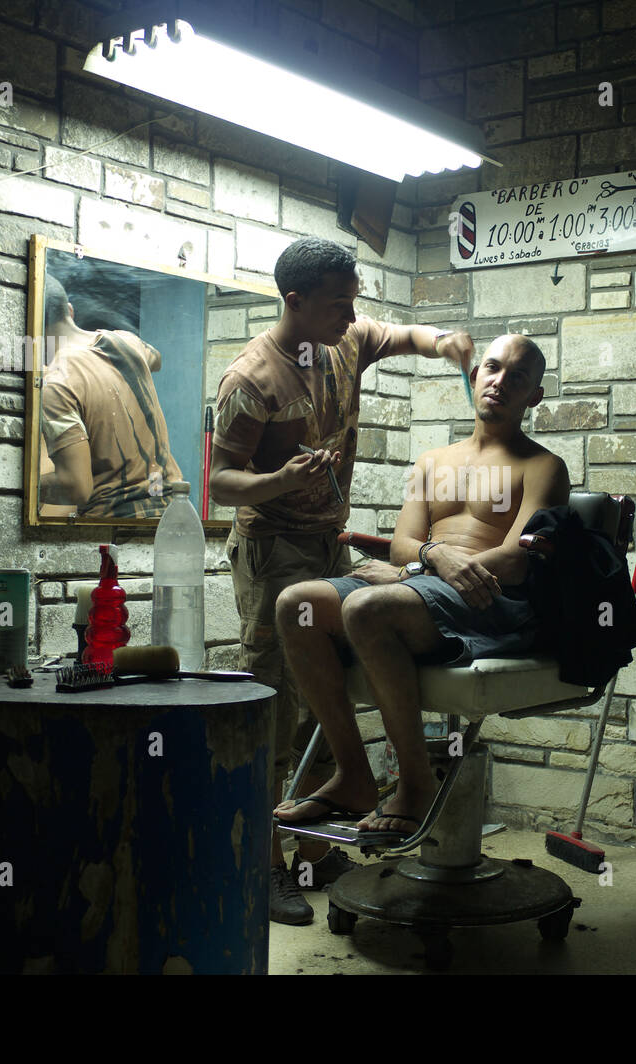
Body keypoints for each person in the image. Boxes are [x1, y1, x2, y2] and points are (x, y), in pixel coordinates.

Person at [208, 235, 475, 925]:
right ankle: (262, 865)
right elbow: (219, 481)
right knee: (275, 704)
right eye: (337, 303)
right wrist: (275, 480)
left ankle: (310, 846)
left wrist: (443, 340)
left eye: (354, 300)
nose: (351, 315)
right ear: (293, 301)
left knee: (331, 698)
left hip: (326, 549)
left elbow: (402, 333)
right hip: (271, 554)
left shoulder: (345, 337)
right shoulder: (251, 379)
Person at [272, 334, 569, 836]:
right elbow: (404, 543)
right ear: (475, 376)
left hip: (490, 599)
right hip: (425, 585)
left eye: (517, 377)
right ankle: (352, 776)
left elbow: (518, 558)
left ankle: (414, 785)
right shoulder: (432, 461)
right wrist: (432, 559)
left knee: (368, 608)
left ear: (533, 396)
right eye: (492, 368)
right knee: (295, 603)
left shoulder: (543, 466)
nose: (500, 381)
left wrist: (429, 569)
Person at [39, 275, 183, 518]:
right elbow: (156, 358)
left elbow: (77, 488)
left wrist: (23, 484)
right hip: (172, 517)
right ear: (70, 311)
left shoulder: (57, 382)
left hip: (113, 528)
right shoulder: (127, 343)